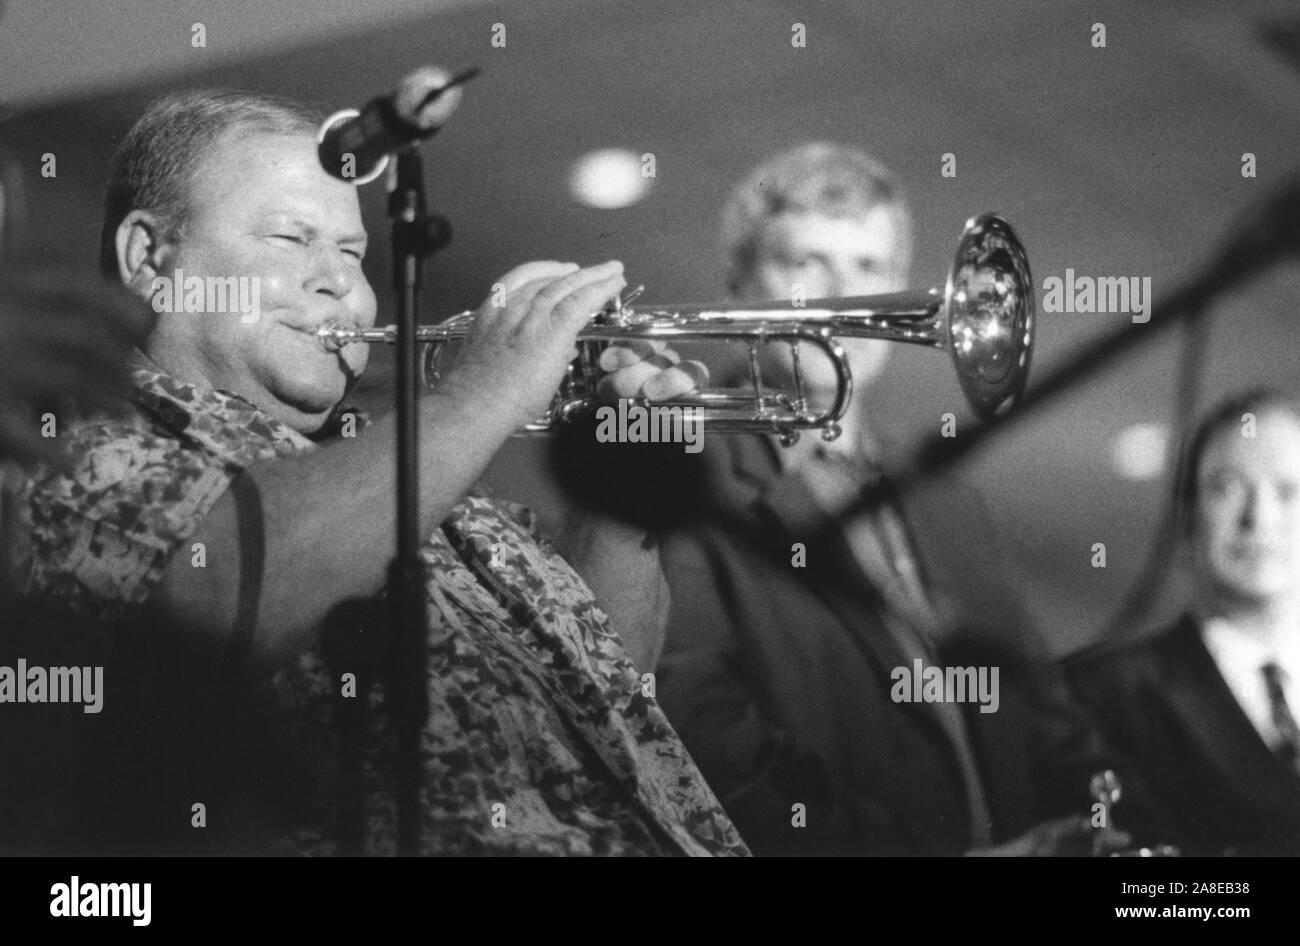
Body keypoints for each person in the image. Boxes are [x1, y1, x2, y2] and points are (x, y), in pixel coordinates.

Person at [14, 87, 748, 856]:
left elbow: (606, 701)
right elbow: (223, 597)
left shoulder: (422, 477)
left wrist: (623, 497)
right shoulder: (77, 452)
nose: (339, 282)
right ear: (149, 259)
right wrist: (488, 388)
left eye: (353, 253)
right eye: (291, 238)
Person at [633, 143, 1119, 855]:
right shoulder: (680, 484)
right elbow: (706, 749)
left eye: (870, 269)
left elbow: (1041, 709)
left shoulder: (949, 501)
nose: (845, 301)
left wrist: (1099, 820)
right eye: (807, 262)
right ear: (737, 284)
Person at [1068, 389, 1300, 856]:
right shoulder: (1095, 694)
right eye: (1227, 487)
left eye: (1288, 491)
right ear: (1188, 517)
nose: (1259, 517)